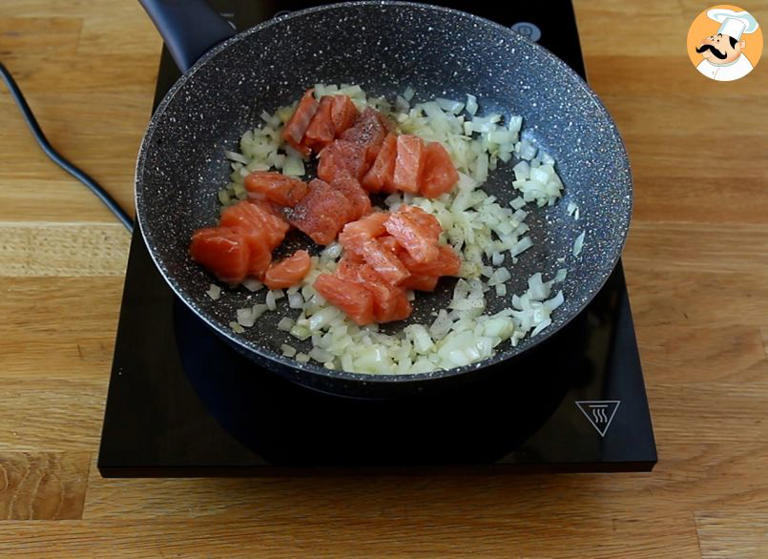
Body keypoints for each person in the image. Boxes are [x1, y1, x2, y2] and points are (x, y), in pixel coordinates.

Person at [696, 9, 759, 81]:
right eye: (713, 38)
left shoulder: (743, 69)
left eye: (718, 41)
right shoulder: (704, 65)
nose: (712, 42)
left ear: (740, 45)